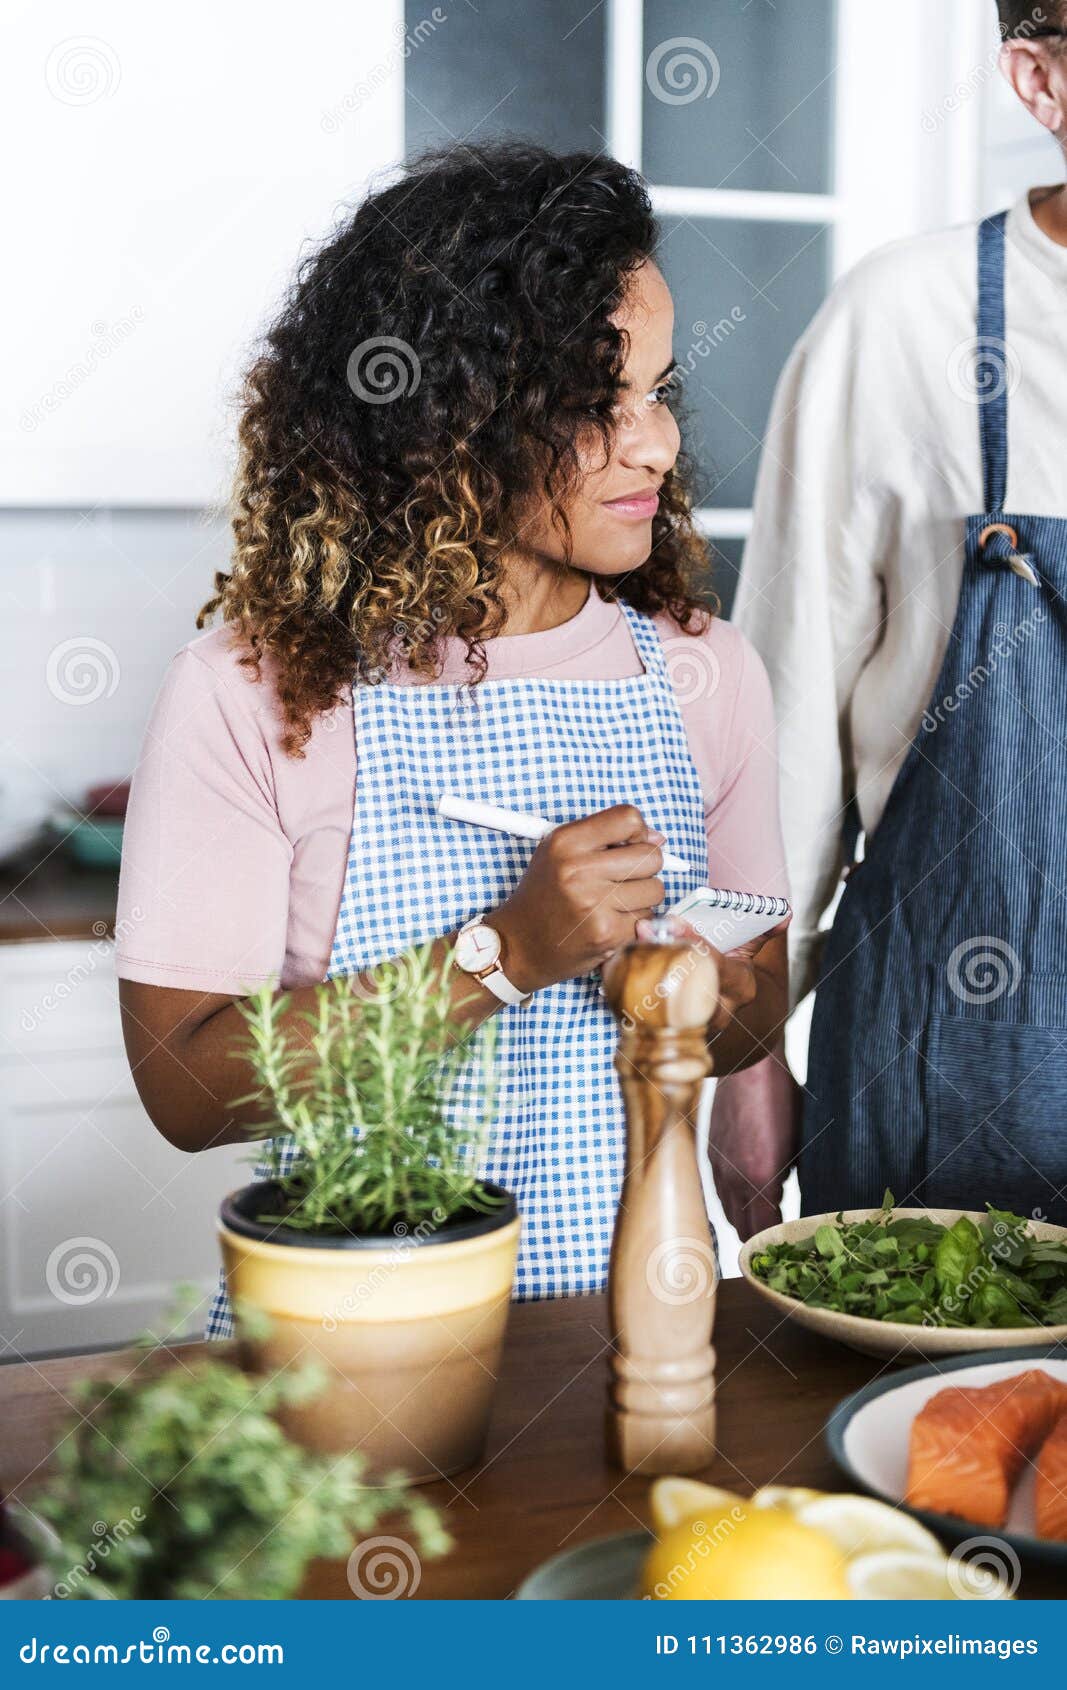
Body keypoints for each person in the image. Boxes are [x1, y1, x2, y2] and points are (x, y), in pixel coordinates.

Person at [116, 142, 789, 1334]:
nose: (656, 445)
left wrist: (682, 986)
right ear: (449, 417)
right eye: (595, 403)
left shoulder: (705, 675)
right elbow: (187, 1084)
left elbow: (748, 1017)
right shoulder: (254, 691)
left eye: (660, 393)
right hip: (350, 1348)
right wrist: (503, 953)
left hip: (642, 1333)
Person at [710, 1, 1067, 1236]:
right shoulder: (903, 323)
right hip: (948, 1041)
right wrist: (745, 1054)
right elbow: (782, 707)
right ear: (1040, 81)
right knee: (883, 1427)